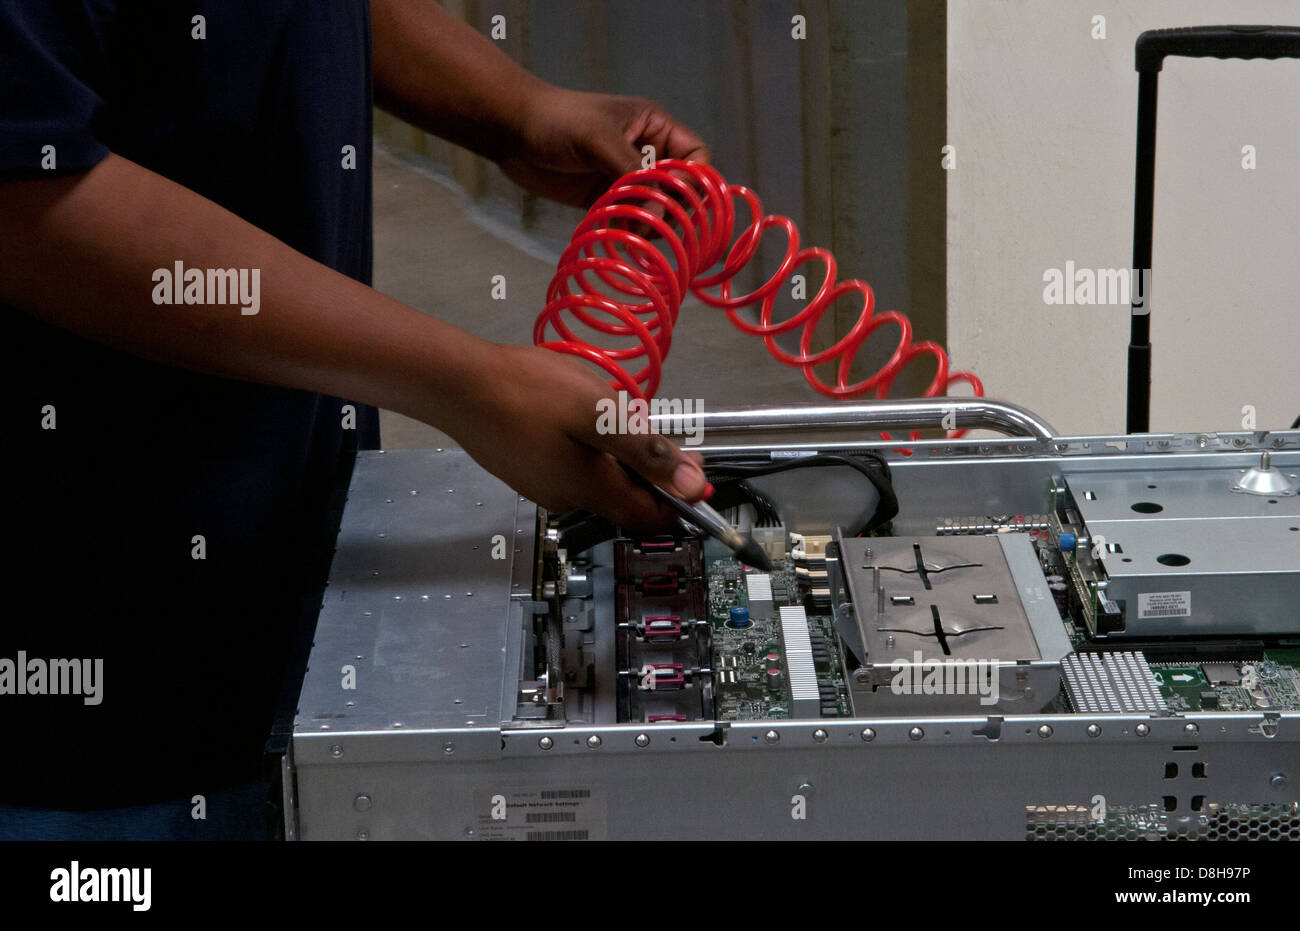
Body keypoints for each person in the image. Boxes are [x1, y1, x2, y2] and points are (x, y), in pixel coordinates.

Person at [0, 0, 709, 839]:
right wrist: (467, 385)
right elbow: (26, 198)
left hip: (290, 545)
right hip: (93, 666)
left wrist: (513, 108)